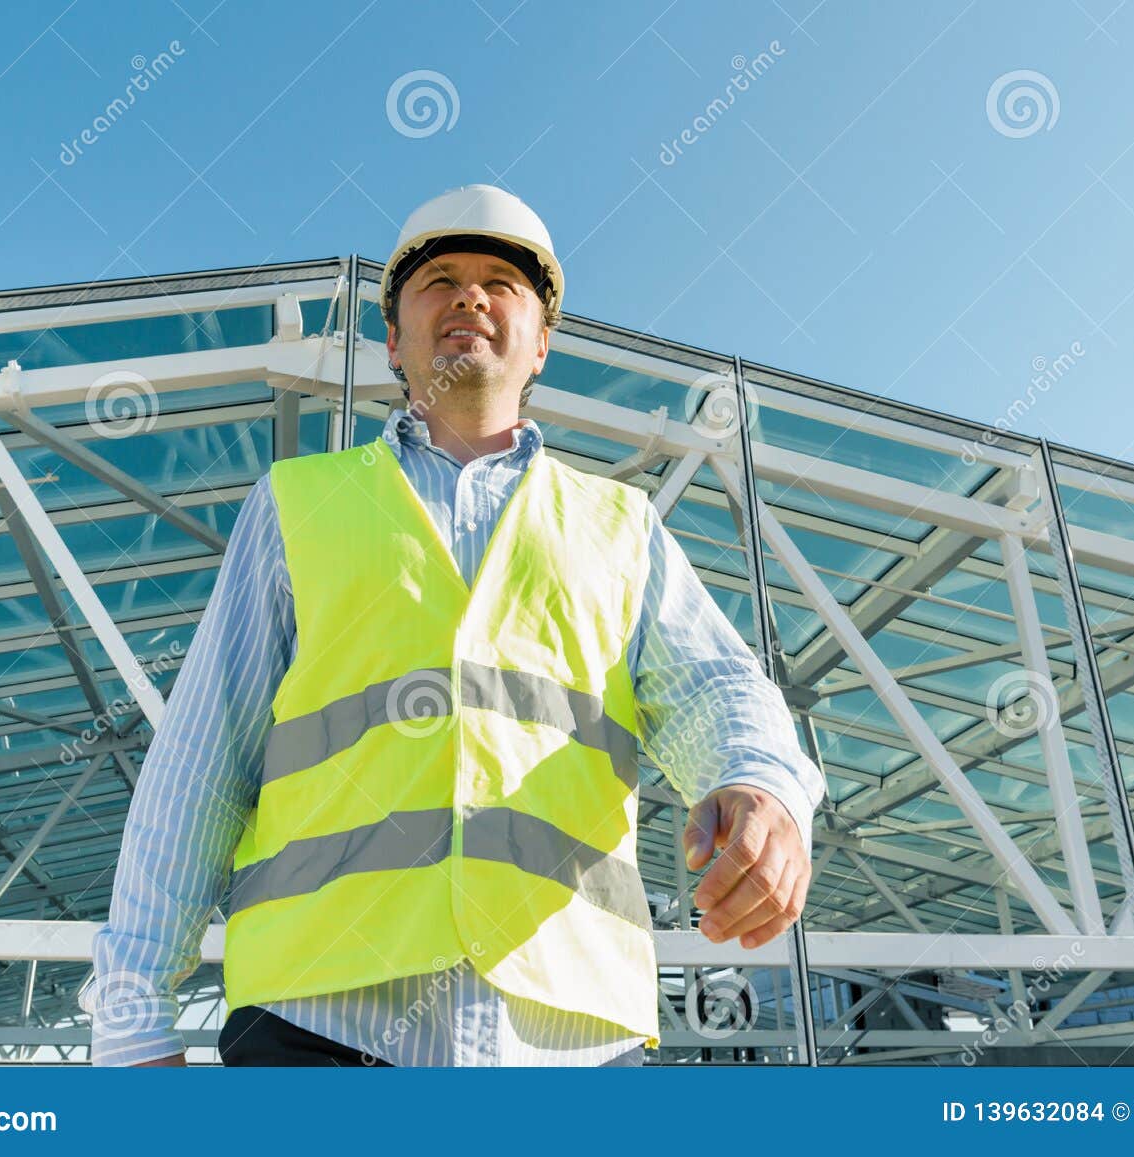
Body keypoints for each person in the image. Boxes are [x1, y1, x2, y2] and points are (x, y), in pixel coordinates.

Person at [82, 184, 827, 1067]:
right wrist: (131, 1019)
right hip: (316, 1025)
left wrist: (764, 786)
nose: (470, 296)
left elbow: (719, 688)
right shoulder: (297, 507)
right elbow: (201, 763)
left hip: (572, 1040)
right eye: (439, 279)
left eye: (501, 283)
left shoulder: (620, 526)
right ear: (393, 339)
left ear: (542, 343)